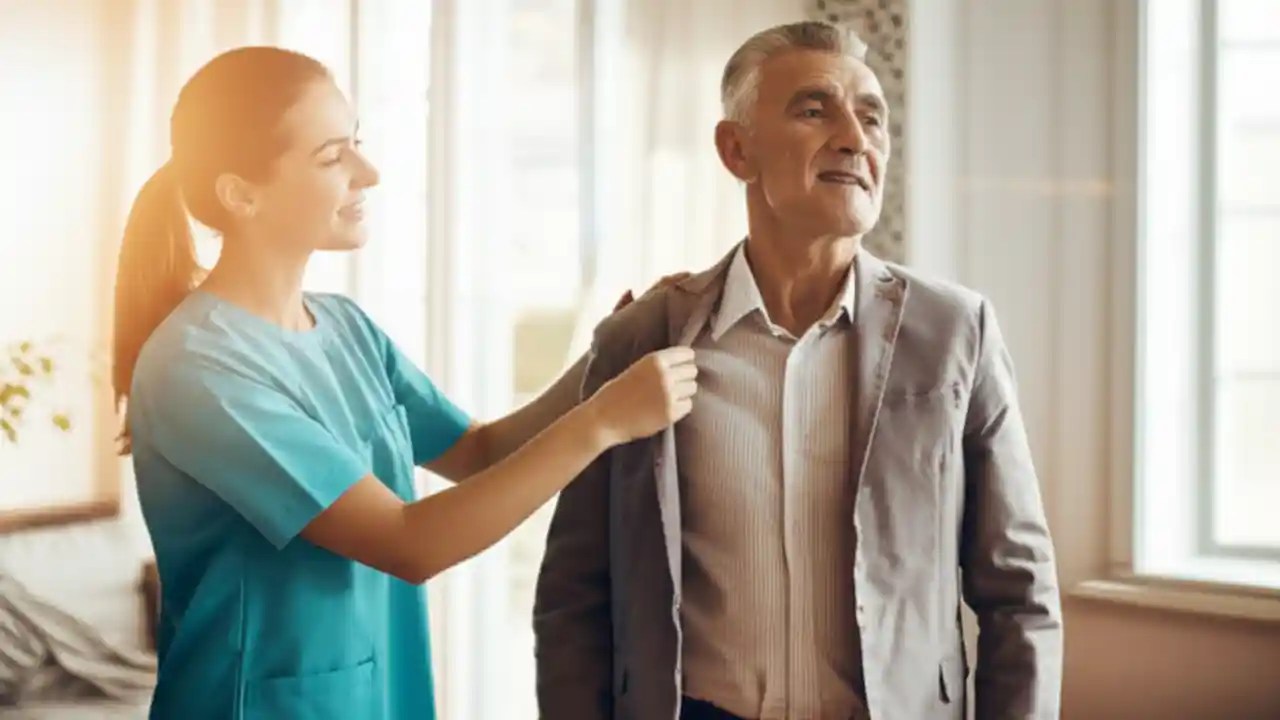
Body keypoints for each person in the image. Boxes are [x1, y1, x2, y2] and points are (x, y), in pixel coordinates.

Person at [112, 46, 697, 720]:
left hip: (375, 695)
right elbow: (409, 542)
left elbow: (478, 451)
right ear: (240, 193)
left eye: (356, 143)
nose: (370, 172)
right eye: (333, 158)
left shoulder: (346, 328)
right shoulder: (198, 368)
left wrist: (602, 361)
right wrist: (604, 423)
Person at [533, 21, 1063, 720]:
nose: (854, 136)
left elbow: (1019, 593)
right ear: (736, 149)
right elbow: (575, 596)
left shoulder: (957, 332)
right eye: (815, 109)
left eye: (871, 116)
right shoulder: (640, 341)